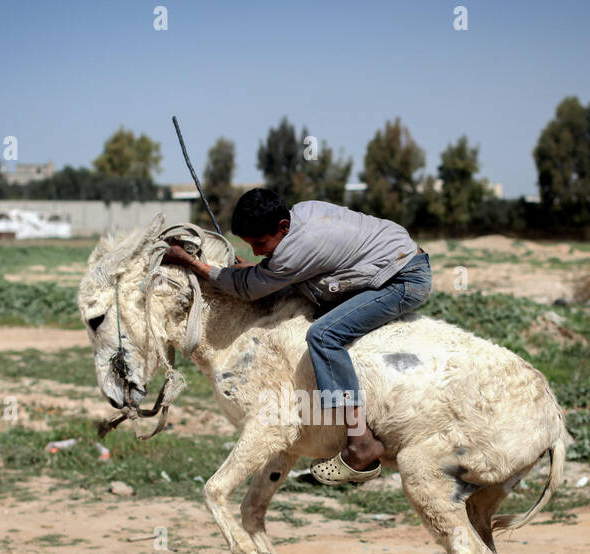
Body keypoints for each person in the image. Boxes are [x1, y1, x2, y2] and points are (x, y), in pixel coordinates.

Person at [162, 188, 431, 484]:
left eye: (260, 243)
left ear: (282, 228)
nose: (256, 251)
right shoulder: (302, 212)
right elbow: (293, 269)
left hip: (403, 279)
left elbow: (248, 289)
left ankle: (361, 442)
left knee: (324, 334)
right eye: (250, 245)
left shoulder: (296, 249)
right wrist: (260, 271)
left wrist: (191, 263)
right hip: (393, 260)